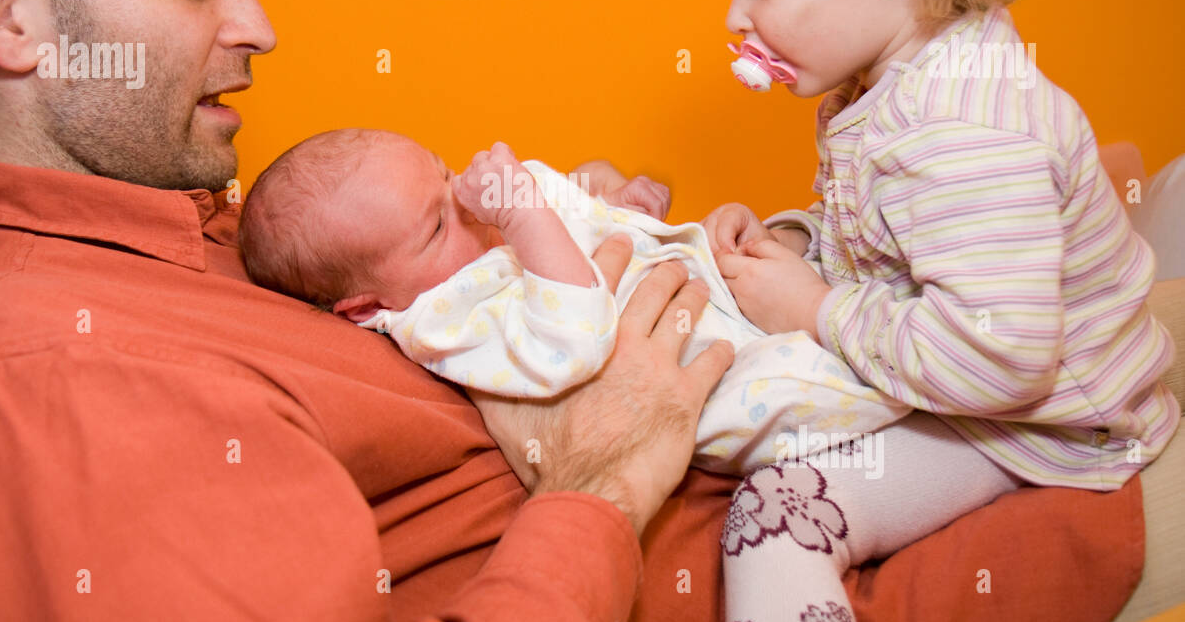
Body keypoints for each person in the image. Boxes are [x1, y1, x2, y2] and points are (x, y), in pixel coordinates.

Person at [0, 0, 1144, 622]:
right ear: (6, 16)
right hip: (964, 523)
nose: (260, 22)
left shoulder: (187, 234)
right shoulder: (48, 367)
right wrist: (600, 487)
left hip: (914, 423)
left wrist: (574, 224)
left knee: (1135, 239)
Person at [651, 0, 1180, 622]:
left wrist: (815, 311)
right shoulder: (887, 86)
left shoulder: (961, 128)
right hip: (979, 375)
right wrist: (795, 244)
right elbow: (891, 239)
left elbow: (1001, 361)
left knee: (776, 510)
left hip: (1039, 423)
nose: (733, 18)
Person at [239, 129, 909, 471]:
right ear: (366, 308)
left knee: (825, 256)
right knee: (847, 384)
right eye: (438, 223)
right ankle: (936, 393)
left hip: (713, 290)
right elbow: (576, 336)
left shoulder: (469, 246)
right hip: (722, 381)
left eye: (445, 173)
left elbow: (571, 217)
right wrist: (526, 212)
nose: (467, 205)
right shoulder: (440, 321)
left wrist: (611, 200)